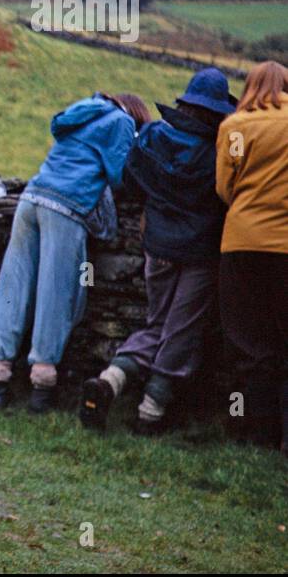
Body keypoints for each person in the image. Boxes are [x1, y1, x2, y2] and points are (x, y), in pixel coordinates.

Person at [80, 69, 235, 434]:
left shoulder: (152, 137)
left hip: (156, 246)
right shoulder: (217, 150)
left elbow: (131, 182)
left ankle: (109, 381)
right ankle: (150, 412)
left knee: (156, 322)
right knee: (181, 329)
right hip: (198, 251)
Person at [0, 93, 151, 413]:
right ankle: (41, 388)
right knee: (56, 295)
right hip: (67, 206)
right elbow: (119, 175)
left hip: (31, 199)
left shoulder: (82, 111)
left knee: (13, 286)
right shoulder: (122, 122)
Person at [214, 61, 288, 453]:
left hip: (243, 241)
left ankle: (255, 433)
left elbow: (225, 187)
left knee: (248, 340)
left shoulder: (235, 126)